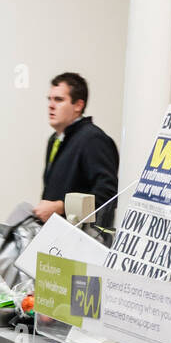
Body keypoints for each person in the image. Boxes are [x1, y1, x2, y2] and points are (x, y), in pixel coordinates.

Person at [34, 73, 119, 232]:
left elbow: (107, 197)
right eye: (50, 99)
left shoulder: (93, 140)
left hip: (82, 241)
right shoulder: (55, 139)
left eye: (59, 100)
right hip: (56, 238)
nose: (51, 105)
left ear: (78, 105)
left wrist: (61, 207)